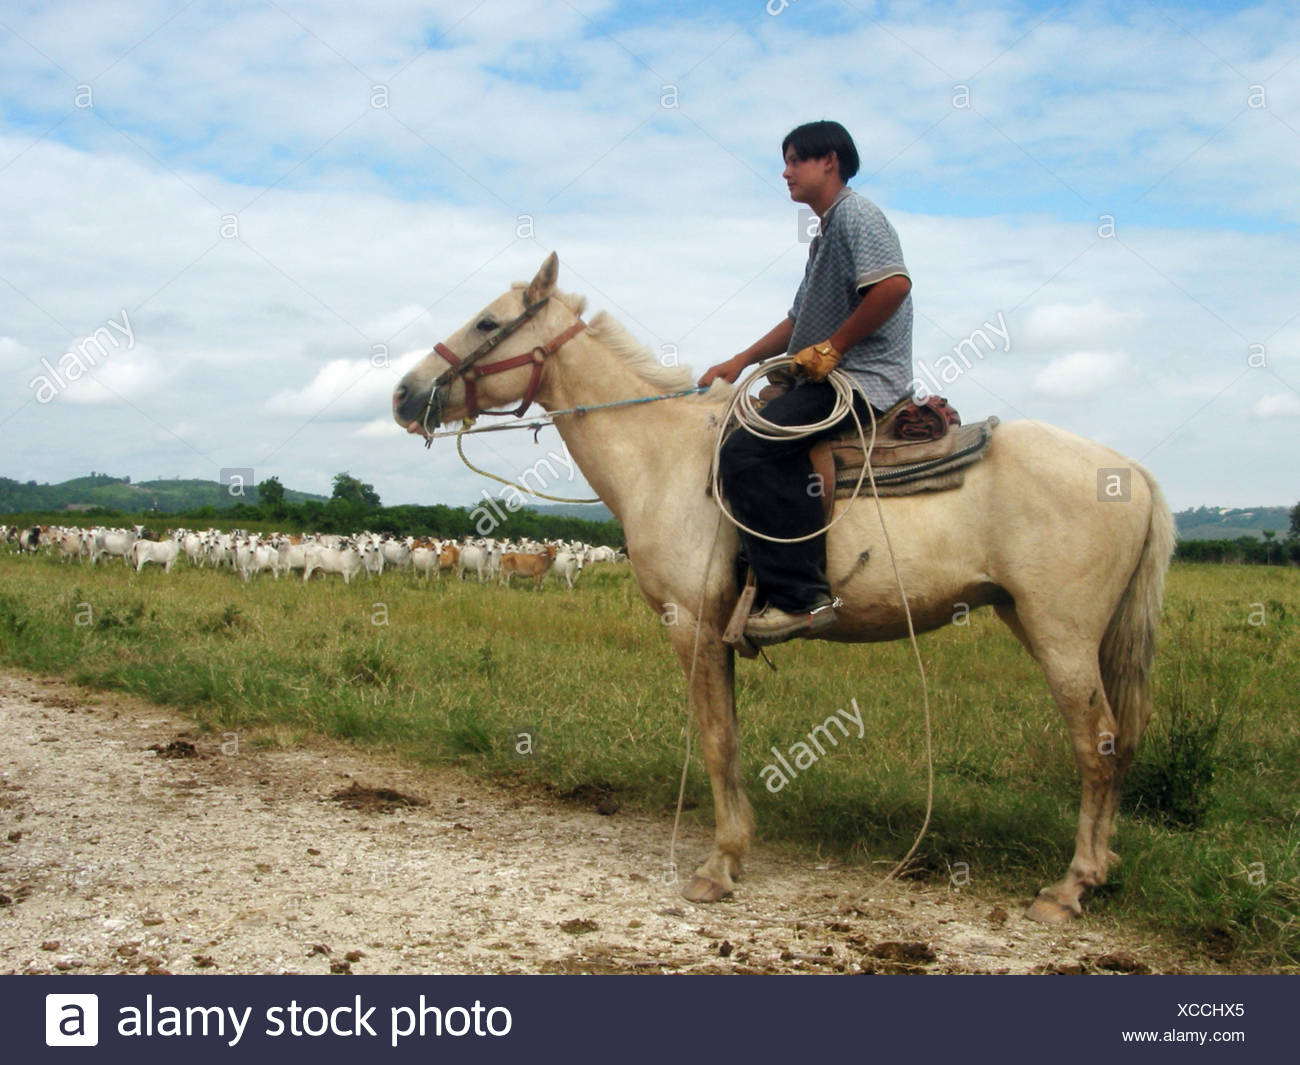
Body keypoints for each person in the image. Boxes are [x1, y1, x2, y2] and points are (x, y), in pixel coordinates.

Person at [698, 120, 914, 646]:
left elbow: (892, 286)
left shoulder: (856, 215)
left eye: (796, 159)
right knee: (737, 429)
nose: (786, 171)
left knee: (748, 453)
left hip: (861, 380)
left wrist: (835, 348)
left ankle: (804, 601)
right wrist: (741, 360)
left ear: (830, 161)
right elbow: (799, 322)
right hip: (823, 373)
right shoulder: (825, 236)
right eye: (787, 160)